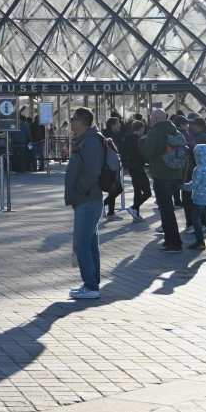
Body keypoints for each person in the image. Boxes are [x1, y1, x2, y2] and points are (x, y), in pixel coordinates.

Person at [63, 106, 116, 300]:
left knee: (83, 245)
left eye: (73, 118)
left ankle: (91, 286)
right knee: (91, 243)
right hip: (87, 198)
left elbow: (93, 171)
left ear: (82, 122)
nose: (71, 121)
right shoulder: (88, 140)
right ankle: (91, 283)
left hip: (87, 198)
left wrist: (78, 189)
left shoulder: (90, 142)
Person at [139, 109, 189, 251]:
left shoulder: (154, 133)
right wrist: (183, 178)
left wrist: (141, 142)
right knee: (166, 210)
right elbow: (185, 156)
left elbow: (147, 153)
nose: (149, 121)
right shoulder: (176, 132)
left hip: (162, 176)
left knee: (166, 211)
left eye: (150, 118)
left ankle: (175, 242)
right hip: (177, 174)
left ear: (154, 118)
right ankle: (168, 240)